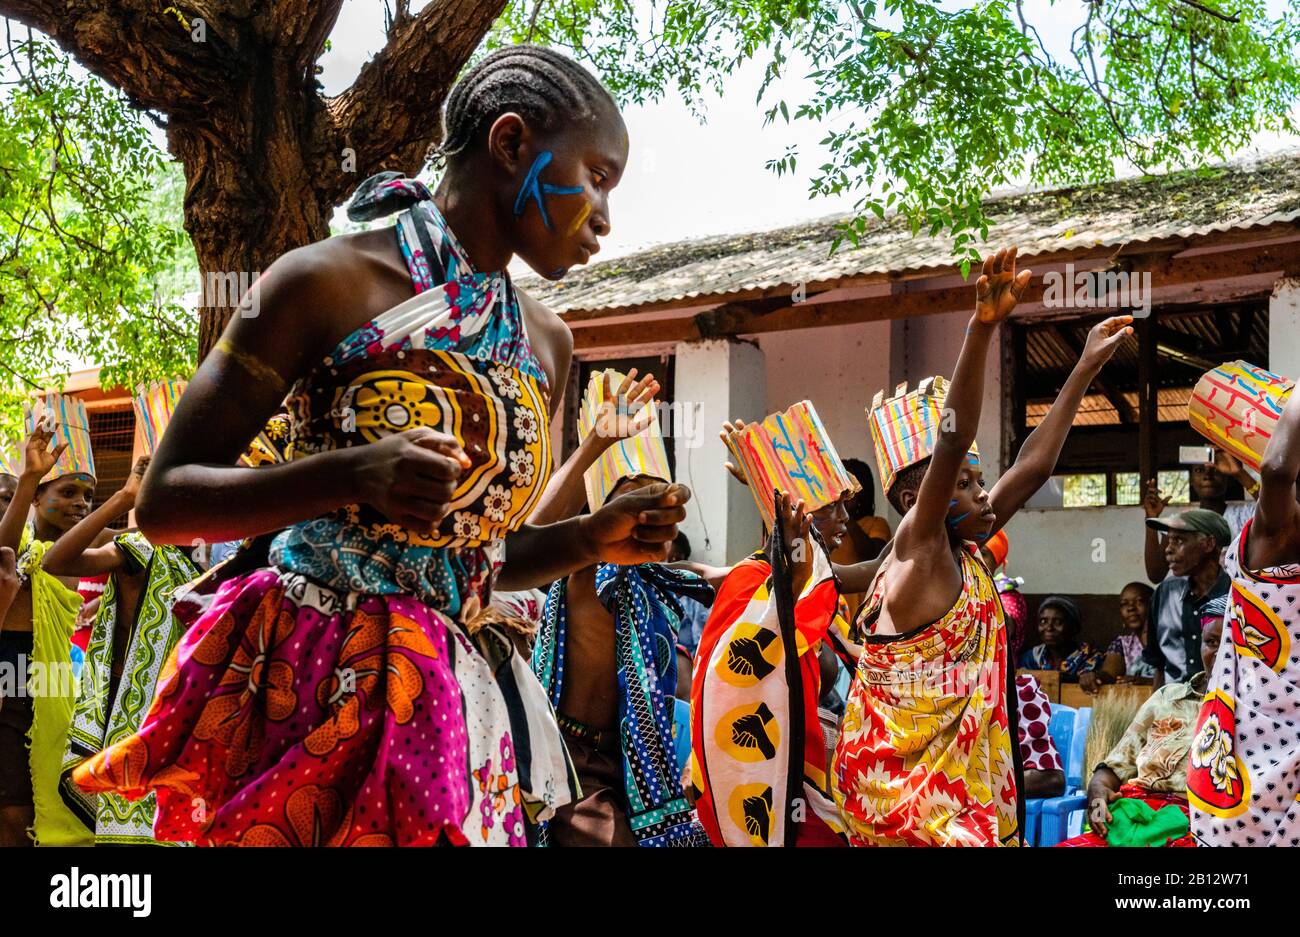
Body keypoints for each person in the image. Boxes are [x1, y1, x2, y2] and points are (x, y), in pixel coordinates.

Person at [72, 45, 694, 848]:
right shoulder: (322, 283)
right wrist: (348, 476)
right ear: (511, 145)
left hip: (448, 704)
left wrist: (586, 538)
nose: (606, 216)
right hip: (307, 679)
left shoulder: (547, 345)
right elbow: (164, 503)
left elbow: (477, 561)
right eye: (598, 176)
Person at [834, 246, 1133, 847]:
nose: (985, 494)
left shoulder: (963, 554)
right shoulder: (921, 551)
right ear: (922, 497)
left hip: (962, 801)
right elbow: (951, 440)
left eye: (978, 479)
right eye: (965, 485)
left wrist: (1082, 371)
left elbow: (1033, 466)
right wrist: (981, 330)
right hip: (911, 809)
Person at [530, 368, 712, 847]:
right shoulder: (583, 567)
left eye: (659, 507)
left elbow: (744, 578)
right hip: (571, 764)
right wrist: (595, 442)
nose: (647, 519)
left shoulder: (663, 578)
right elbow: (525, 535)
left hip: (635, 766)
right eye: (633, 506)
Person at [42, 456, 200, 845]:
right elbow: (56, 560)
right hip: (127, 711)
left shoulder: (209, 561)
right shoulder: (137, 550)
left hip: (179, 712)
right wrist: (122, 498)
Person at [1188, 369, 1300, 847]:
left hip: (1260, 745)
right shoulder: (1281, 538)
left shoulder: (1279, 539)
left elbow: (1276, 470)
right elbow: (1275, 471)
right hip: (1266, 744)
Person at [0, 416, 106, 848]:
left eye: (88, 496)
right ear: (37, 497)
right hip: (10, 682)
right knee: (12, 809)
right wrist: (28, 478)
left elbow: (140, 537)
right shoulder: (19, 548)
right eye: (67, 492)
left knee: (50, 796)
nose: (81, 503)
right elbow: (3, 555)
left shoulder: (86, 551)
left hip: (55, 687)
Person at [1061, 606, 1225, 848]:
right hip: (1135, 816)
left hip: (1202, 827)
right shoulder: (1167, 698)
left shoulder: (1261, 714)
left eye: (1230, 644)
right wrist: (1097, 792)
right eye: (1211, 642)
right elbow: (1114, 768)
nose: (1220, 653)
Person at [1141, 508, 1231, 689]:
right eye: (1168, 540)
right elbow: (1159, 664)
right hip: (1173, 709)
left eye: (1179, 541)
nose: (1168, 549)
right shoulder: (1165, 593)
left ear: (1208, 544)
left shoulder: (1235, 594)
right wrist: (1155, 710)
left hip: (1222, 706)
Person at [1142, 449, 1256, 583]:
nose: (1208, 475)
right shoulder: (1179, 522)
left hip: (1238, 598)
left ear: (1228, 477)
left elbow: (1277, 507)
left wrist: (1240, 474)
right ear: (1190, 480)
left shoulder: (1245, 515)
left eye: (1216, 470)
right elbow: (1156, 575)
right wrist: (1151, 517)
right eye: (1199, 470)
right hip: (1196, 599)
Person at [1082, 581, 1156, 693]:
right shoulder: (1122, 644)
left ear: (1154, 604)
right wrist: (1095, 677)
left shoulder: (1172, 641)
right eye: (1124, 604)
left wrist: (1150, 682)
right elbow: (1109, 674)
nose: (1130, 608)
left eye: (1139, 601)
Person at [1018, 596, 1104, 675]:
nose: (1049, 628)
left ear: (1073, 627)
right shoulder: (1030, 659)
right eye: (1043, 621)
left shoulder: (1091, 658)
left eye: (1057, 622)